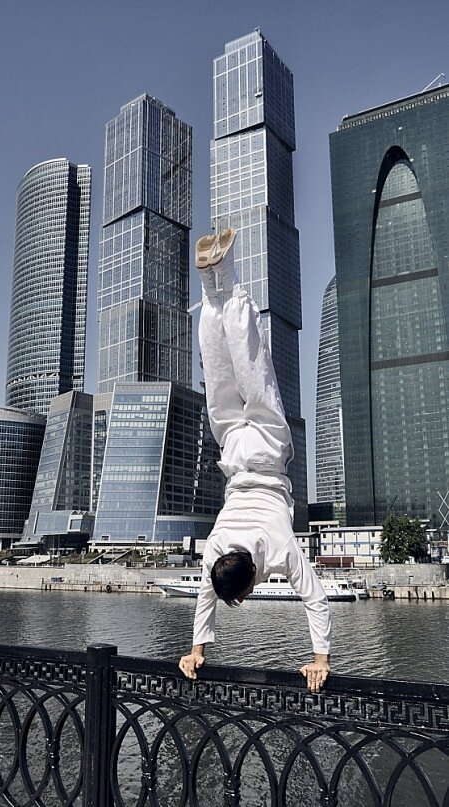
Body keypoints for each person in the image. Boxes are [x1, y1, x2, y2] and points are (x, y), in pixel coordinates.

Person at [178, 228, 331, 693]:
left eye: (239, 599)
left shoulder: (281, 543)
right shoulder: (216, 548)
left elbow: (315, 599)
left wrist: (320, 659)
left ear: (249, 584)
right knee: (222, 370)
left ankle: (223, 275)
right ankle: (211, 281)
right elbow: (207, 594)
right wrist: (196, 650)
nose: (239, 602)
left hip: (264, 449)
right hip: (233, 451)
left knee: (250, 364)